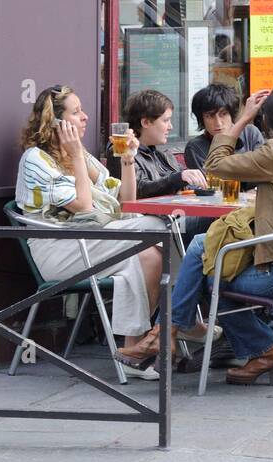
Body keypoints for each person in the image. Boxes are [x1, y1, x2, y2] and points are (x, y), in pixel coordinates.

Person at [169, 86, 273, 385]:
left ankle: (264, 349)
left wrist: (242, 118)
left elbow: (215, 165)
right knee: (203, 249)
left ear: (265, 121)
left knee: (212, 275)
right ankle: (172, 330)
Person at [16, 85, 163, 378]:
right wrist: (77, 157)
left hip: (95, 239)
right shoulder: (36, 159)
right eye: (76, 112)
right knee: (159, 228)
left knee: (151, 252)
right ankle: (178, 325)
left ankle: (134, 349)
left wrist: (128, 160)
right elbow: (83, 206)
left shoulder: (79, 154)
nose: (85, 117)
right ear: (55, 122)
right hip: (59, 248)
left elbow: (127, 205)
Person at [107, 88, 208, 195]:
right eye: (165, 120)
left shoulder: (162, 155)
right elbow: (139, 190)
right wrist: (178, 178)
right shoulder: (121, 151)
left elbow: (185, 184)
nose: (171, 127)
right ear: (145, 122)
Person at [183, 84, 264, 172]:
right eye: (210, 116)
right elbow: (209, 181)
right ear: (202, 119)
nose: (218, 123)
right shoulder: (195, 147)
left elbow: (264, 168)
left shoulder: (250, 133)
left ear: (231, 114)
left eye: (223, 114)